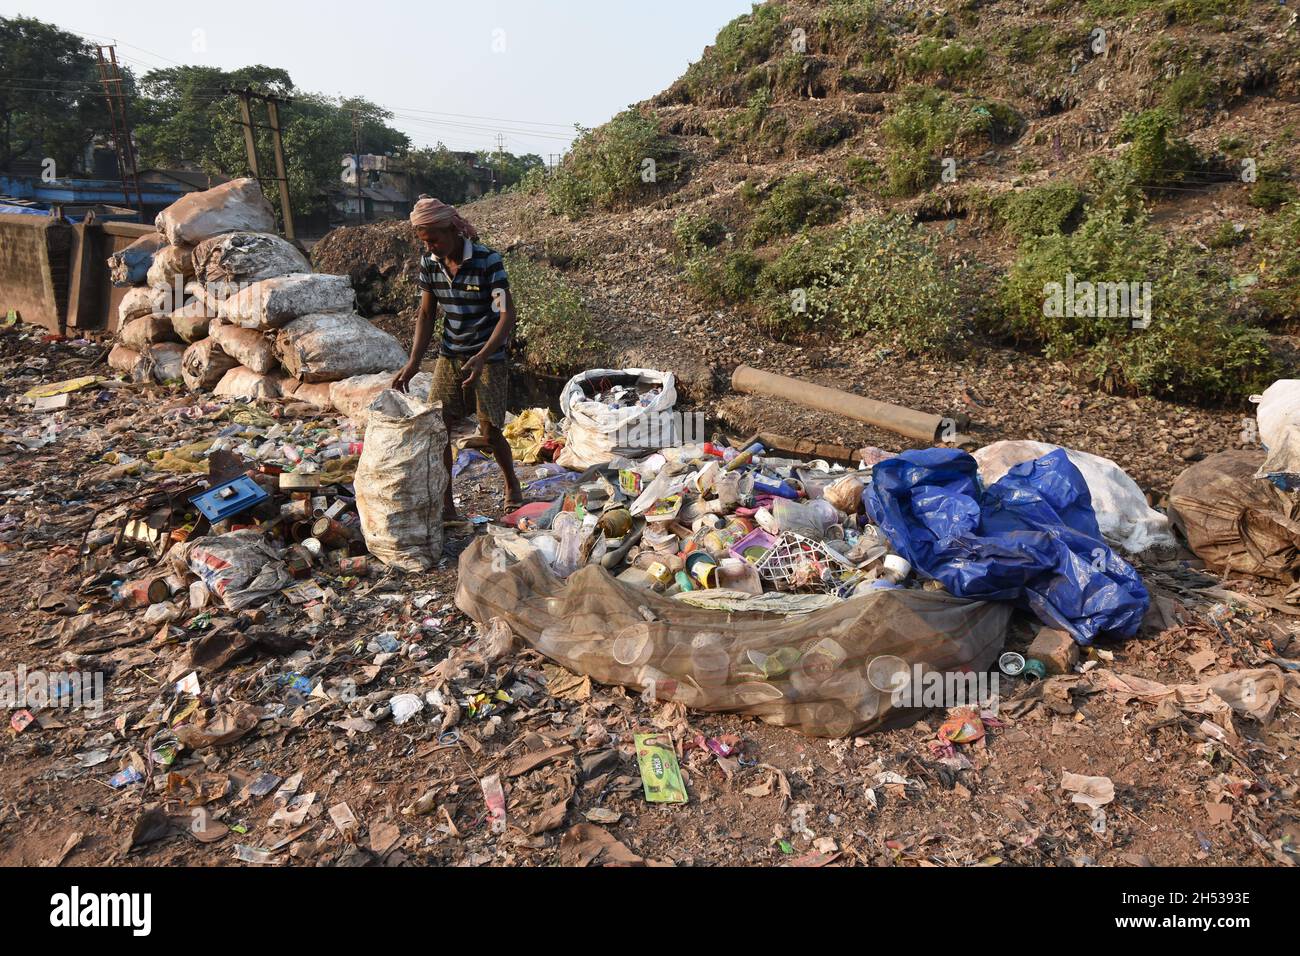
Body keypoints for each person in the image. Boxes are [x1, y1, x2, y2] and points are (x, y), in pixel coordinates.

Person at [392, 196, 523, 517]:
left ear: (452, 230)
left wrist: (482, 356)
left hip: (488, 356)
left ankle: (512, 485)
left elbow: (506, 315)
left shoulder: (486, 261)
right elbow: (426, 315)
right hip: (450, 354)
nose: (431, 247)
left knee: (490, 430)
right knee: (440, 428)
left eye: (434, 239)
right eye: (425, 242)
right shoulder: (430, 265)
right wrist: (411, 363)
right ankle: (447, 503)